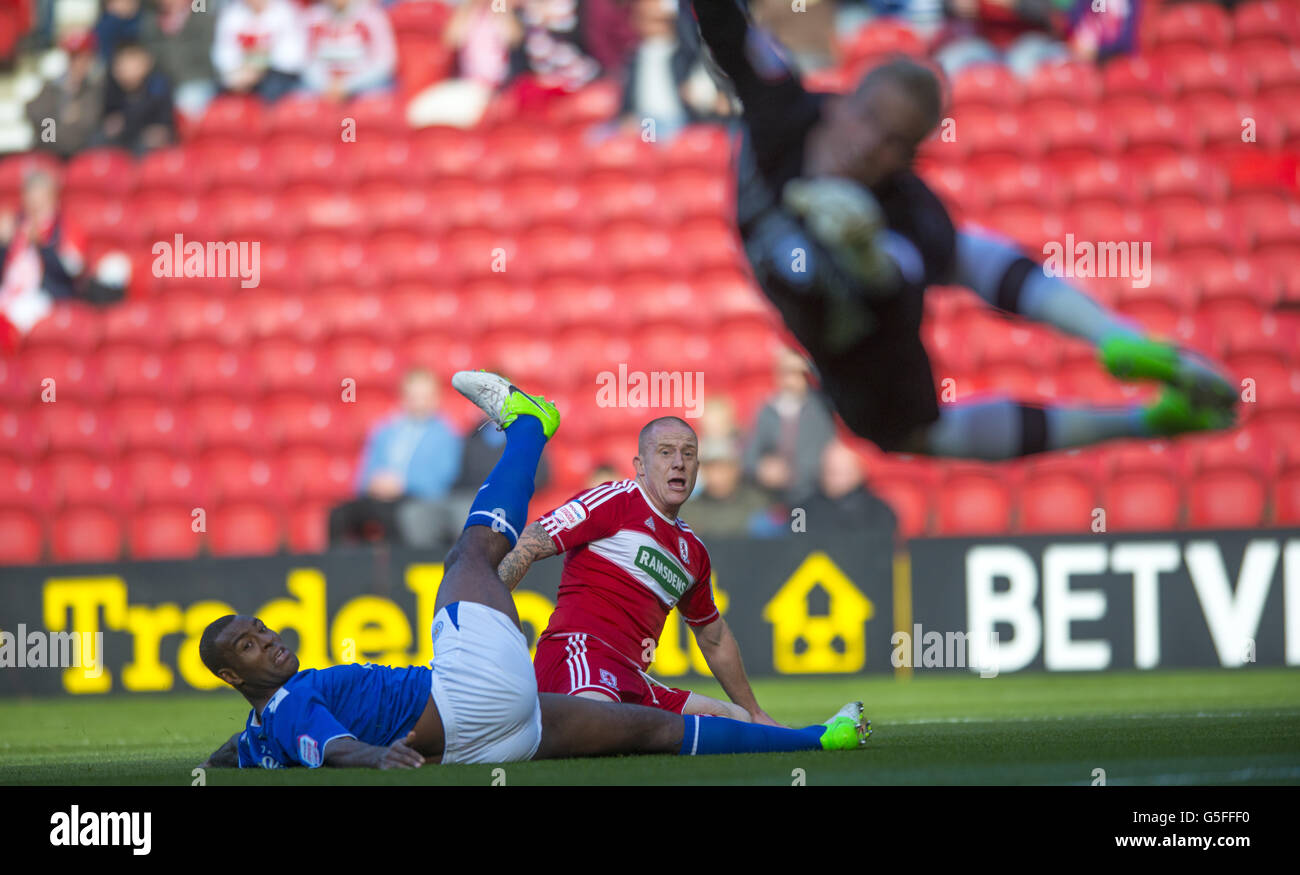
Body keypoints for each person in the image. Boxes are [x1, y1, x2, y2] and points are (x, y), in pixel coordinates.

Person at [199, 371, 870, 768]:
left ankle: (816, 736)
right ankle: (527, 424)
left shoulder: (266, 730)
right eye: (250, 645)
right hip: (510, 683)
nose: (269, 639)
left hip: (498, 736)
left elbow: (241, 745)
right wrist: (495, 588)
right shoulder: (290, 708)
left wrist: (206, 763)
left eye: (260, 627)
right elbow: (338, 746)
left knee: (667, 730)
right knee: (468, 554)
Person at [687, 1, 1238, 464]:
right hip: (822, 296)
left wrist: (865, 255)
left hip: (859, 338)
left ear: (906, 157)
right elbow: (724, 24)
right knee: (962, 254)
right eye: (868, 116)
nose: (867, 142)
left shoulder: (905, 207)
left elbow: (897, 282)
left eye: (891, 140)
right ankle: (1124, 360)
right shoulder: (783, 109)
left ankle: (1130, 374)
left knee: (919, 430)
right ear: (845, 101)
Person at [494, 415, 780, 724]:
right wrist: (480, 613)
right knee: (598, 718)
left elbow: (714, 637)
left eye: (688, 453)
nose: (679, 463)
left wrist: (754, 711)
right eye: (666, 452)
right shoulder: (615, 500)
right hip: (578, 655)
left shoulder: (693, 552)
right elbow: (531, 542)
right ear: (640, 465)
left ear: (698, 468)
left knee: (735, 719)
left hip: (631, 679)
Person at [328, 368, 463, 550]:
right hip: (378, 497)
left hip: (415, 499)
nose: (419, 402)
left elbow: (443, 480)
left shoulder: (446, 434)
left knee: (401, 518)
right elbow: (365, 473)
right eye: (413, 396)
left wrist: (403, 484)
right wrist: (374, 483)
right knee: (338, 515)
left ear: (436, 398)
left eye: (424, 396)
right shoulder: (386, 430)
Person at [743, 346, 837, 504]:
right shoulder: (767, 410)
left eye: (798, 373)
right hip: (770, 495)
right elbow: (749, 454)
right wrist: (762, 468)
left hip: (812, 496)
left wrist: (789, 475)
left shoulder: (821, 411)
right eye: (786, 372)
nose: (791, 380)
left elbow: (823, 456)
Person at [793, 440, 898, 537]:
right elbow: (793, 546)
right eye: (829, 469)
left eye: (841, 471)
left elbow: (883, 550)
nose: (832, 477)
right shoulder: (802, 511)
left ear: (859, 473)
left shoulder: (879, 513)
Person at [301, 0, 397, 102]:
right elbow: (306, 61)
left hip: (365, 87)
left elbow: (385, 62)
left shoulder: (373, 16)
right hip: (322, 89)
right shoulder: (313, 17)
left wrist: (347, 86)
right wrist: (325, 85)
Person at [212, 0, 306, 102]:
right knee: (217, 95)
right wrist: (241, 71)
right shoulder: (232, 13)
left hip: (277, 75)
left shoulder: (286, 11)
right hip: (240, 74)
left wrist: (258, 68)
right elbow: (222, 54)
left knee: (273, 88)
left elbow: (294, 57)